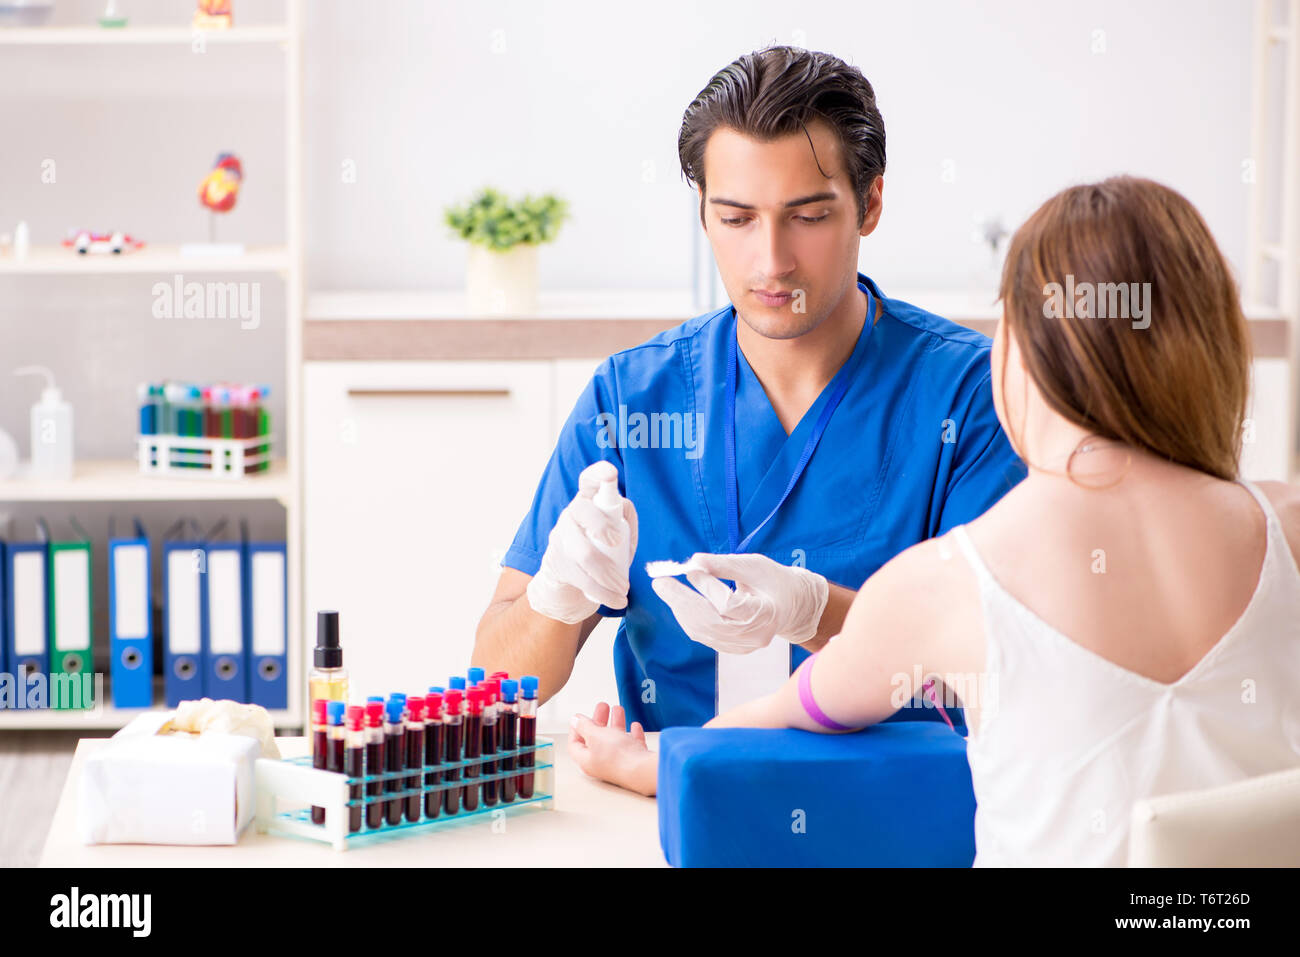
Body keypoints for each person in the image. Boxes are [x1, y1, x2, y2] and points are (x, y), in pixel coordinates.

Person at [566, 175, 1300, 866]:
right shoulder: (1288, 527)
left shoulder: (953, 580)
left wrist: (654, 758)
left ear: (1017, 349)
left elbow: (787, 717)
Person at [472, 46, 1025, 729]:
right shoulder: (631, 400)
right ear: (702, 210)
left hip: (891, 809)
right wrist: (553, 598)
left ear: (870, 203)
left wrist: (813, 610)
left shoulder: (969, 394)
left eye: (810, 217)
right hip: (670, 803)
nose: (771, 261)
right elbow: (499, 686)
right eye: (737, 219)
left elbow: (999, 667)